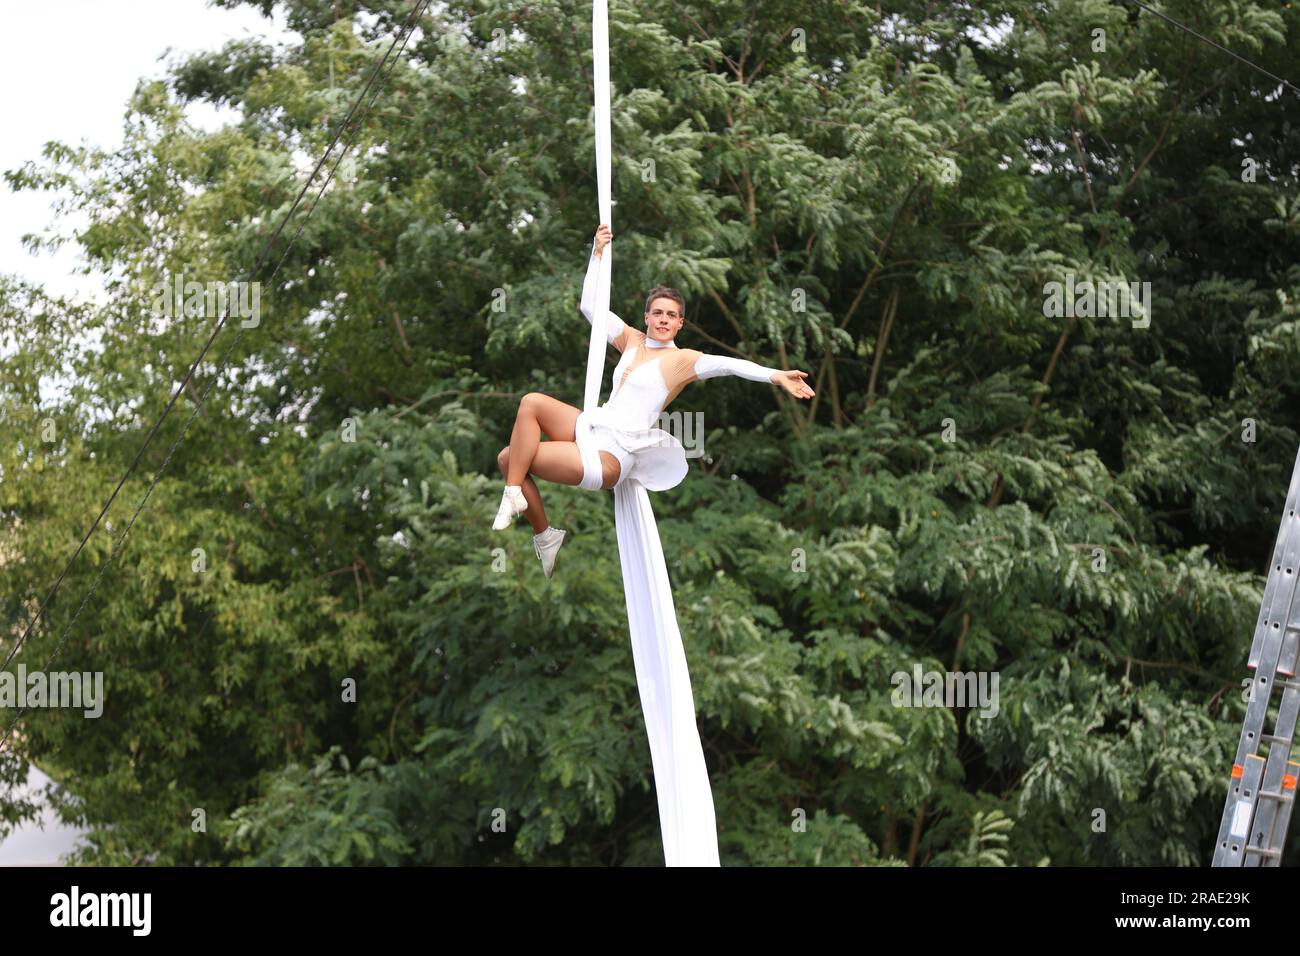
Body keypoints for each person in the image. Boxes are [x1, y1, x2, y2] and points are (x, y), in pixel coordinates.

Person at [493, 224, 815, 577]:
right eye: (657, 313)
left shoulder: (682, 361)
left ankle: (536, 525)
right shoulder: (631, 340)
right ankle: (535, 519)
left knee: (513, 458)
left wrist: (775, 374)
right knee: (530, 406)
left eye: (671, 315)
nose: (663, 319)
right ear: (646, 317)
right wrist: (597, 253)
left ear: (680, 324)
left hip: (612, 455)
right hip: (594, 426)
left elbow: (729, 366)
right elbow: (590, 306)